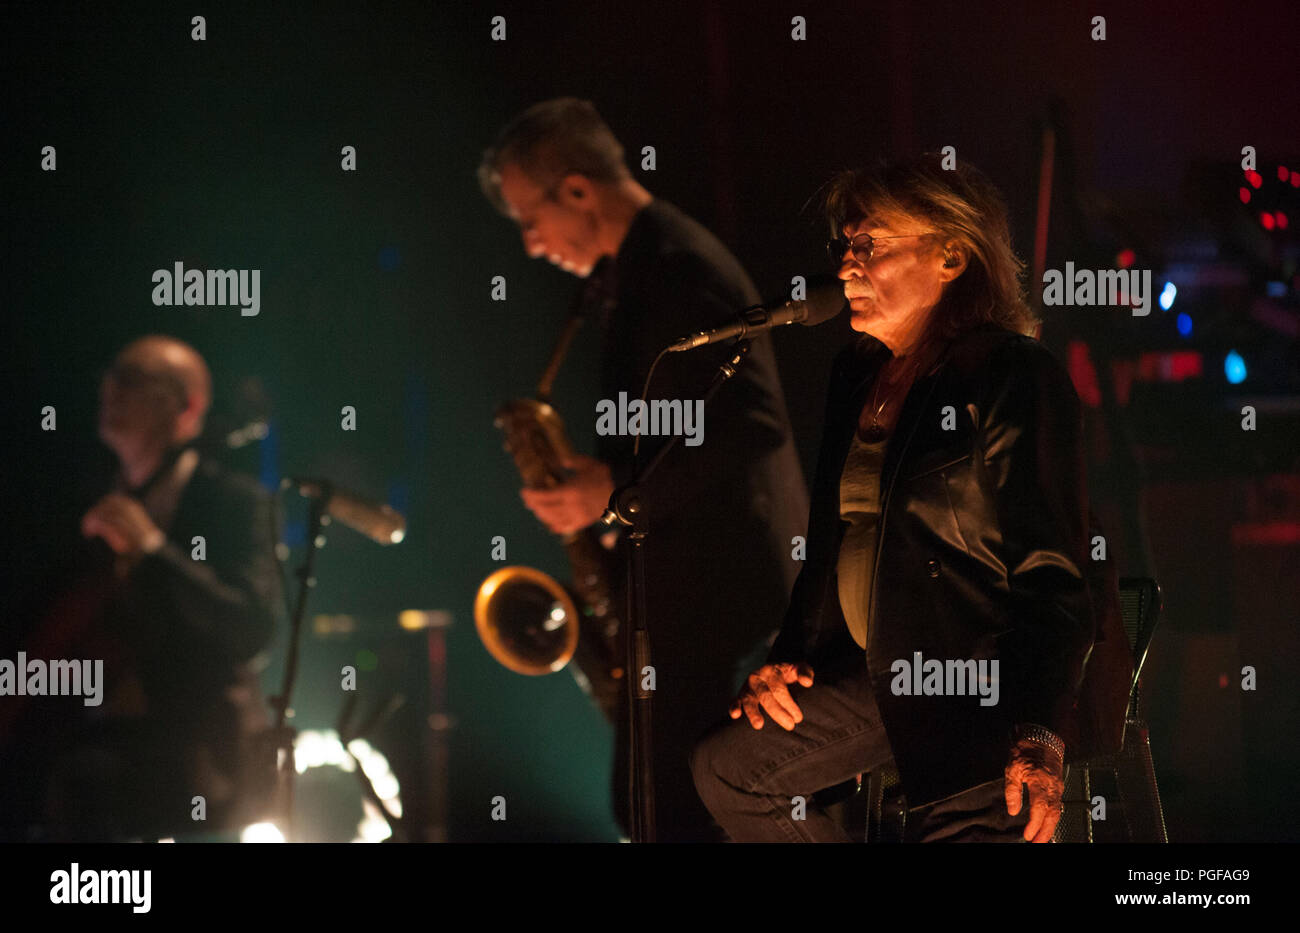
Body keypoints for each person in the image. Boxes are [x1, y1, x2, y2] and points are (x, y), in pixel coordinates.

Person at [691, 154, 1096, 842]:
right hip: (873, 679)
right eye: (843, 245)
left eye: (869, 244)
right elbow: (828, 548)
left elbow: (1054, 576)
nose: (847, 265)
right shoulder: (857, 374)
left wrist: (1038, 728)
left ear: (951, 256)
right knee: (730, 768)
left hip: (970, 688)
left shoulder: (1008, 373)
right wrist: (789, 657)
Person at [478, 98, 808, 840]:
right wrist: (607, 486)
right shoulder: (637, 271)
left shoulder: (679, 266)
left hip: (718, 601)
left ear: (575, 190)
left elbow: (755, 421)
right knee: (647, 807)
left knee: (669, 811)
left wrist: (619, 492)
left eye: (529, 219)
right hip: (684, 597)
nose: (531, 245)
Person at [0, 335, 281, 840]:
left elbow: (251, 628)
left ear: (186, 405)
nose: (110, 390)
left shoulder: (232, 502)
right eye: (109, 378)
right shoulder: (87, 501)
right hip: (89, 763)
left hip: (193, 765)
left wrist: (153, 550)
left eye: (132, 380)